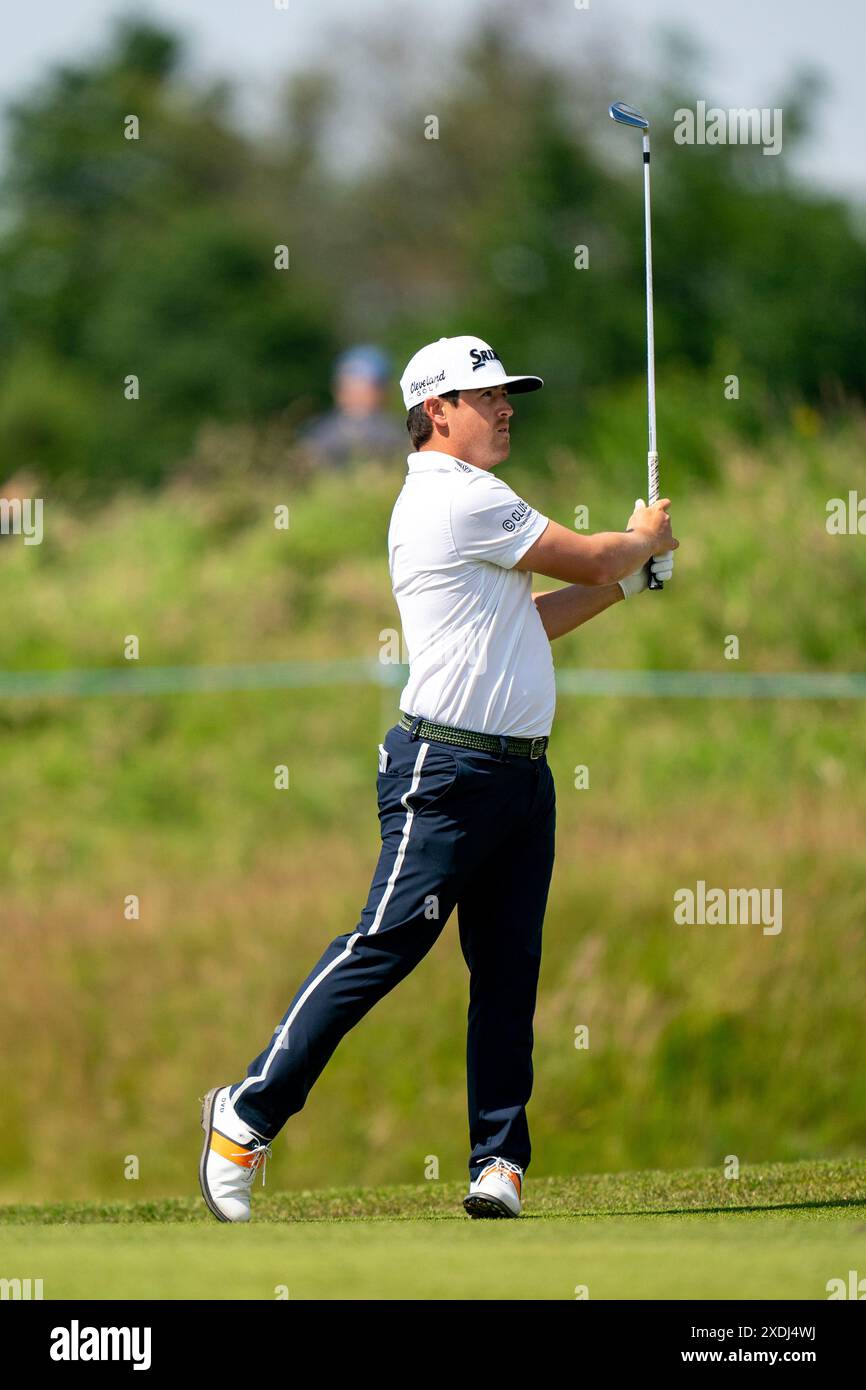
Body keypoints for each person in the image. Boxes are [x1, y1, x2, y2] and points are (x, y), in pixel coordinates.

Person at [199, 334, 677, 1222]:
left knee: (507, 972)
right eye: (484, 396)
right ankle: (245, 1113)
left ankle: (497, 1162)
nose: (505, 407)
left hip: (518, 776)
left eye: (507, 395)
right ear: (434, 413)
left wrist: (626, 583)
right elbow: (588, 555)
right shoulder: (456, 498)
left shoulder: (474, 503)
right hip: (446, 768)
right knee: (385, 944)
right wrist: (635, 544)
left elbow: (531, 619)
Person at [296, 343, 405, 469]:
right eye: (351, 386)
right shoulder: (317, 434)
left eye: (364, 387)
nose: (356, 394)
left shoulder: (397, 432)